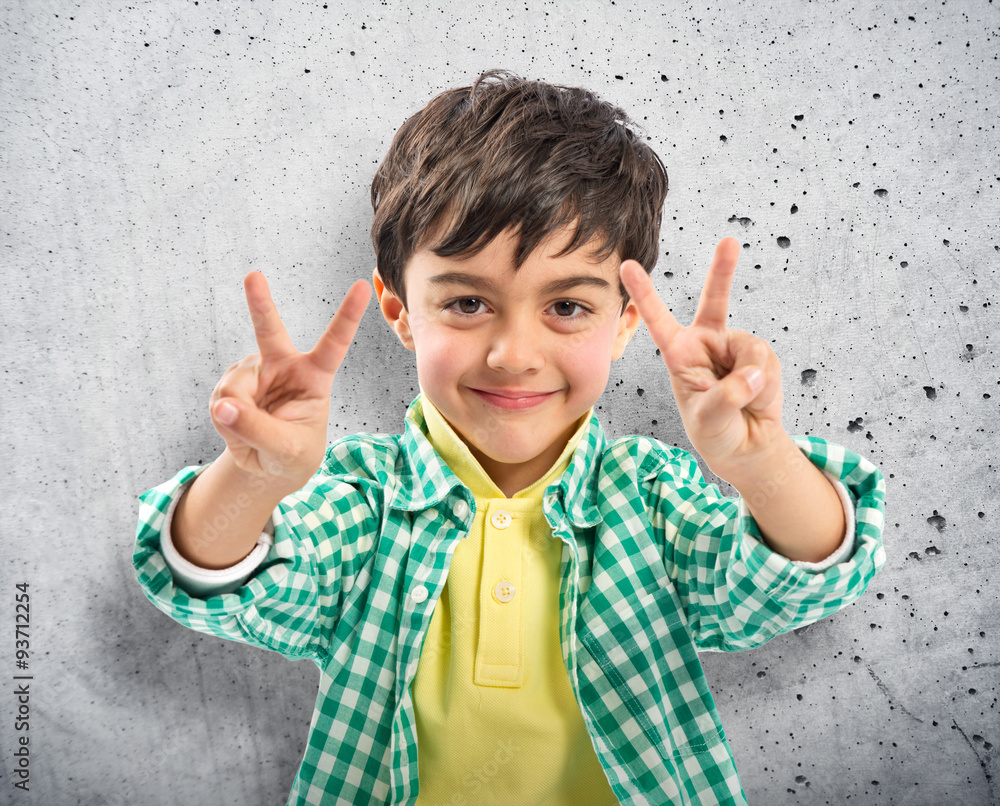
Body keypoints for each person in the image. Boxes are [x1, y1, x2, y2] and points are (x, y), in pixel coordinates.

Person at [133, 68, 886, 806]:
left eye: (567, 307)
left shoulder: (651, 499)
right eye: (467, 303)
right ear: (400, 312)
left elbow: (795, 584)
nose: (514, 355)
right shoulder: (365, 499)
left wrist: (761, 463)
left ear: (624, 322)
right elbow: (216, 588)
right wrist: (255, 478)